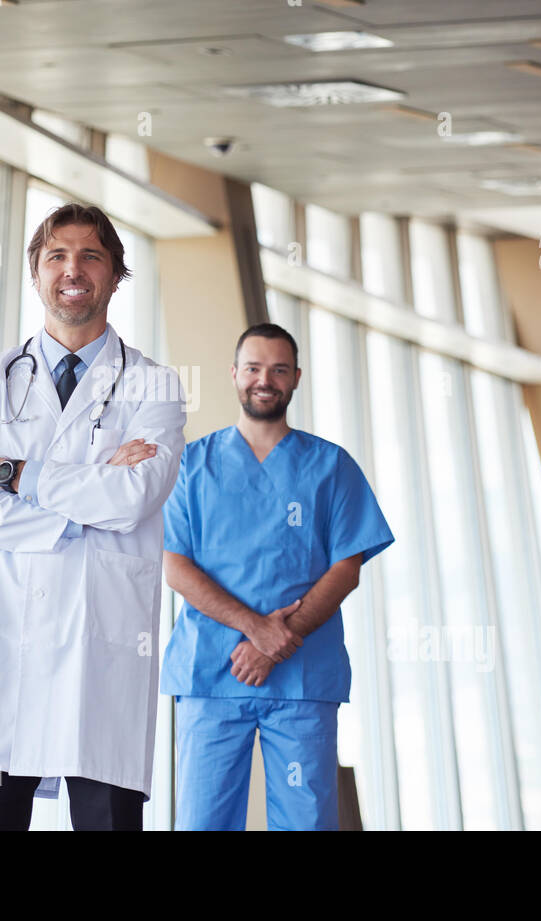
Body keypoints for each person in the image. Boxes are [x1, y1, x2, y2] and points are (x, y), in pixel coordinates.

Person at [0, 202, 186, 830]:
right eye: (57, 256)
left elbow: (134, 498)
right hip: (1, 643)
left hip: (101, 644)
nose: (73, 269)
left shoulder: (155, 385)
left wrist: (17, 475)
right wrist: (78, 514)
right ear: (35, 272)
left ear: (117, 276)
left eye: (91, 255)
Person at [160, 323, 394, 830]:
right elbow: (174, 564)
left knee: (306, 821)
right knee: (203, 821)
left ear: (295, 379)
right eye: (254, 368)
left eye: (278, 370)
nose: (265, 379)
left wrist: (274, 640)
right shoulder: (191, 465)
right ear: (235, 375)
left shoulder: (332, 466)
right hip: (211, 674)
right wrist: (256, 628)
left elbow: (346, 568)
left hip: (302, 678)